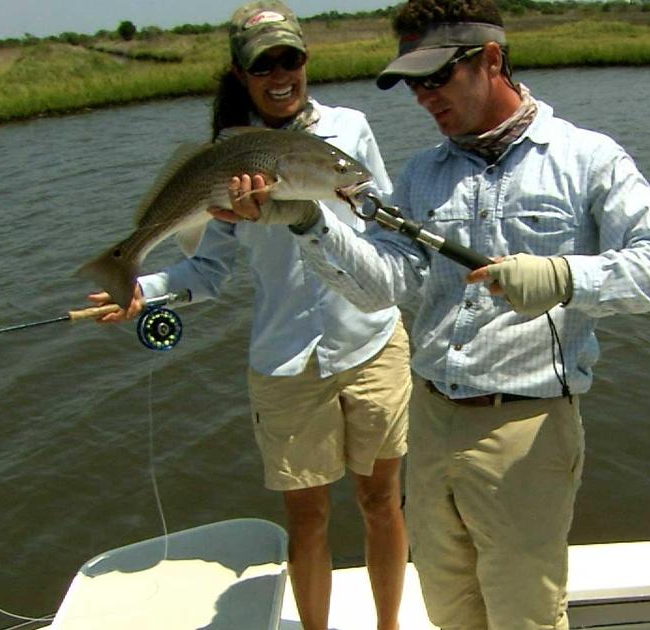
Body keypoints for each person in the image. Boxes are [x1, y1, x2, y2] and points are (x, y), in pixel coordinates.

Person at [221, 1, 650, 627]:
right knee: (450, 614)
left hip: (524, 429)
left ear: (491, 59)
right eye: (413, 83)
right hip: (431, 422)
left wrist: (564, 277)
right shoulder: (421, 174)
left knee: (523, 616)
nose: (423, 97)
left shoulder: (588, 158)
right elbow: (382, 284)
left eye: (437, 77)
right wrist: (310, 223)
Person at [86, 3, 410, 629]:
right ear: (241, 74)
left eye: (291, 58)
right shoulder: (226, 159)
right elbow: (206, 274)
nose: (281, 73)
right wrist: (142, 289)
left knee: (381, 500)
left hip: (371, 341)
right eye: (265, 64)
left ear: (306, 61)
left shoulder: (349, 130)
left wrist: (344, 197)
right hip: (287, 359)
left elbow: (382, 226)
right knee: (307, 516)